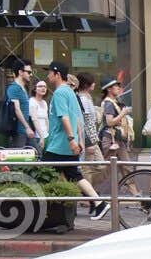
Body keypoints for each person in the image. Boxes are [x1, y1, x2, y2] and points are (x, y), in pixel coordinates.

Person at [41, 61, 105, 219]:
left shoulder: (60, 93)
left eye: (49, 73)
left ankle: (44, 212)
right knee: (73, 175)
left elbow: (65, 118)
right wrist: (79, 140)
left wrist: (71, 139)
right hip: (68, 144)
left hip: (59, 145)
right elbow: (78, 119)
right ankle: (98, 203)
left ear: (57, 74)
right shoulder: (70, 92)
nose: (48, 75)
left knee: (42, 173)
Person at [1, 58, 35, 147]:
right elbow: (17, 109)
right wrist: (27, 127)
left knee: (36, 154)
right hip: (18, 131)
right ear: (20, 72)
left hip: (26, 130)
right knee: (19, 158)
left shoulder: (23, 88)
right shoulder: (14, 88)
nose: (31, 75)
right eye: (29, 72)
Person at [98, 77, 132, 162]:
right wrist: (123, 113)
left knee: (126, 167)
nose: (118, 88)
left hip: (117, 138)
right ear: (109, 89)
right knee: (109, 168)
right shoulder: (108, 103)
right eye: (116, 86)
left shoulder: (114, 102)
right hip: (110, 139)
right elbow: (110, 122)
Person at [28, 78, 50, 150]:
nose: (43, 88)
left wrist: (49, 134)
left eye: (45, 86)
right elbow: (34, 119)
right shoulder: (32, 101)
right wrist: (41, 137)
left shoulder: (44, 102)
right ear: (35, 89)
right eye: (40, 86)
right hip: (37, 136)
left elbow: (46, 119)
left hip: (46, 135)